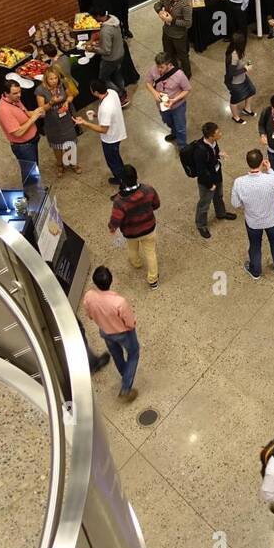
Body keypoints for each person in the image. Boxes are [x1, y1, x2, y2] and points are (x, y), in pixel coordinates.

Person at [81, 266, 140, 401]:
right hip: (124, 333)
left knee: (116, 354)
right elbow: (130, 323)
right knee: (134, 354)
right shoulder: (119, 302)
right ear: (111, 280)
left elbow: (89, 314)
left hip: (105, 332)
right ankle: (126, 388)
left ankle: (125, 375)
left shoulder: (89, 296)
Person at [231, 148, 274, 279]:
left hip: (253, 222)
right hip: (272, 219)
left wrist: (247, 204)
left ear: (248, 163)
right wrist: (270, 170)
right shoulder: (269, 179)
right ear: (261, 162)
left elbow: (235, 204)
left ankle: (256, 271)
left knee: (254, 246)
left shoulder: (239, 182)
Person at [108, 164, 160, 289]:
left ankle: (136, 263)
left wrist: (111, 227)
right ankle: (153, 280)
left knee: (132, 249)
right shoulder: (148, 190)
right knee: (150, 253)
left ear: (122, 180)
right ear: (136, 176)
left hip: (130, 233)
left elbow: (116, 220)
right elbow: (156, 204)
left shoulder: (119, 201)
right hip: (149, 229)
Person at [74, 78, 128, 185]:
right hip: (118, 130)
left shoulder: (105, 108)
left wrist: (85, 123)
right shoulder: (111, 92)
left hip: (111, 139)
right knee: (116, 157)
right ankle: (123, 175)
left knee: (113, 161)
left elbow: (103, 129)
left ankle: (122, 181)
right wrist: (97, 115)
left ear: (95, 92)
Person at [191, 121, 236, 239]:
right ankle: (201, 225)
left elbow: (213, 154)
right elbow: (201, 172)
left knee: (219, 196)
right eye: (218, 133)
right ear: (211, 136)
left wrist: (219, 154)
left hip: (217, 175)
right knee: (204, 204)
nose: (220, 134)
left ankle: (221, 213)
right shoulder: (200, 150)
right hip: (207, 181)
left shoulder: (214, 142)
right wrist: (209, 184)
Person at [0, 79, 44, 184]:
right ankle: (33, 195)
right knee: (29, 173)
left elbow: (25, 113)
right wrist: (33, 118)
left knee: (34, 168)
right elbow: (17, 132)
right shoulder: (4, 110)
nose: (19, 95)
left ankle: (37, 190)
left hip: (31, 142)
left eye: (19, 91)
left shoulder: (15, 100)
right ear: (6, 93)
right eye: (15, 93)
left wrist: (36, 112)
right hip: (23, 147)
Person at [36, 68, 79, 175]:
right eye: (51, 79)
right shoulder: (40, 90)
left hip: (66, 120)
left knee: (70, 143)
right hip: (52, 123)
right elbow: (41, 109)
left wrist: (67, 102)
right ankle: (60, 165)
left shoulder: (62, 84)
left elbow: (70, 95)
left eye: (55, 78)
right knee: (57, 146)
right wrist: (51, 102)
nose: (54, 81)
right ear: (46, 79)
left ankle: (73, 163)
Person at [144, 51, 190, 148]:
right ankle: (174, 133)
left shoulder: (179, 75)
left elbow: (187, 90)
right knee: (167, 121)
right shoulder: (153, 69)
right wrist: (155, 92)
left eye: (162, 67)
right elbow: (148, 83)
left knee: (180, 127)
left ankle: (182, 146)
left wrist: (174, 100)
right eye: (158, 66)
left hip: (178, 106)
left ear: (169, 65)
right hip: (162, 105)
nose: (159, 69)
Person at [153, 0, 194, 78]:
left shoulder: (184, 6)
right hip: (167, 32)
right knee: (168, 54)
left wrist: (173, 20)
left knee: (183, 56)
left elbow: (188, 23)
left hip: (179, 35)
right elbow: (157, 5)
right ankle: (174, 71)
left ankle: (187, 74)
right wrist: (159, 11)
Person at [91, 6, 129, 106]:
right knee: (117, 73)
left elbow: (106, 51)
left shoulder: (105, 31)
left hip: (110, 59)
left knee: (104, 78)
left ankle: (120, 96)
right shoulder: (113, 19)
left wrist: (92, 49)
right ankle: (124, 92)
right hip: (120, 53)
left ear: (98, 16)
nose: (94, 19)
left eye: (94, 17)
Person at [224, 30, 256, 123]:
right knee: (235, 99)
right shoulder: (234, 56)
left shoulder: (238, 51)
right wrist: (245, 69)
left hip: (242, 77)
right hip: (235, 82)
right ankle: (235, 117)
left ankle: (247, 109)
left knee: (251, 90)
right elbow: (231, 73)